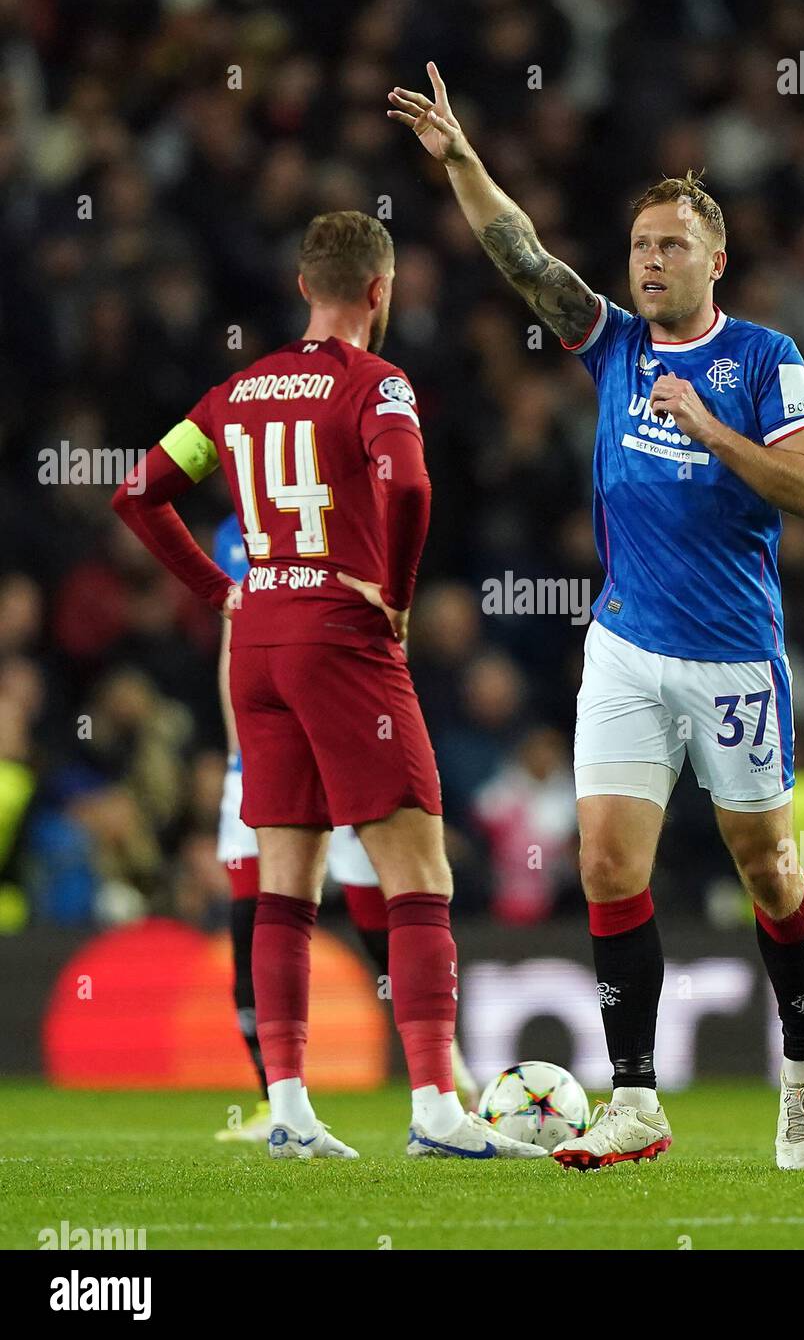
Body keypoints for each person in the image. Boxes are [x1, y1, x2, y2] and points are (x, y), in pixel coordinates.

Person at [390, 65, 804, 1171]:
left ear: (713, 259)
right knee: (603, 862)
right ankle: (635, 1098)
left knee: (768, 872)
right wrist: (461, 164)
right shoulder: (613, 345)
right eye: (640, 244)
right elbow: (525, 257)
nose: (649, 259)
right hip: (628, 647)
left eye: (671, 245)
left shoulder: (760, 360)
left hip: (733, 659)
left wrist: (708, 428)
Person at [113, 209, 541, 1161]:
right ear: (380, 291)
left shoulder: (236, 392)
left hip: (257, 644)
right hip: (340, 641)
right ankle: (436, 1106)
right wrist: (392, 594)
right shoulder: (379, 385)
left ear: (305, 286)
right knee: (419, 875)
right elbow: (414, 489)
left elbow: (138, 494)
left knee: (284, 889)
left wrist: (224, 590)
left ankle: (293, 1111)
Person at [210, 511, 478, 1144]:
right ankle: (422, 1098)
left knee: (353, 906)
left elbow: (145, 496)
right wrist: (236, 759)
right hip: (304, 725)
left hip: (320, 721)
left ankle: (300, 1107)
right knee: (274, 909)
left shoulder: (338, 512)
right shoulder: (258, 526)